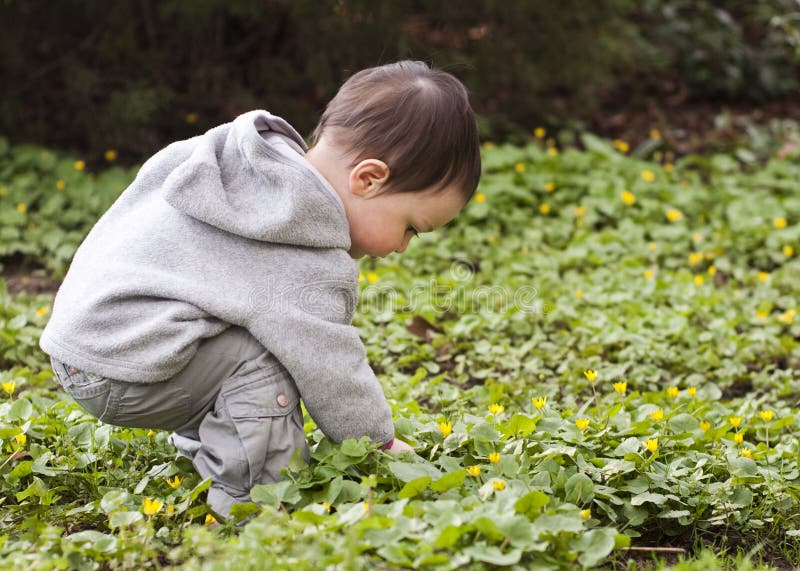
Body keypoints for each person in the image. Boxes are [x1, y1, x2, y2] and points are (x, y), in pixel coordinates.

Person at [39, 60, 482, 518]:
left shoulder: (235, 161)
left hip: (82, 341)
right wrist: (376, 440)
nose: (404, 248)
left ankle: (214, 441)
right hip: (126, 367)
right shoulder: (304, 247)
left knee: (237, 331)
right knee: (270, 357)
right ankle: (256, 502)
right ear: (368, 179)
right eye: (411, 227)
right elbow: (330, 363)